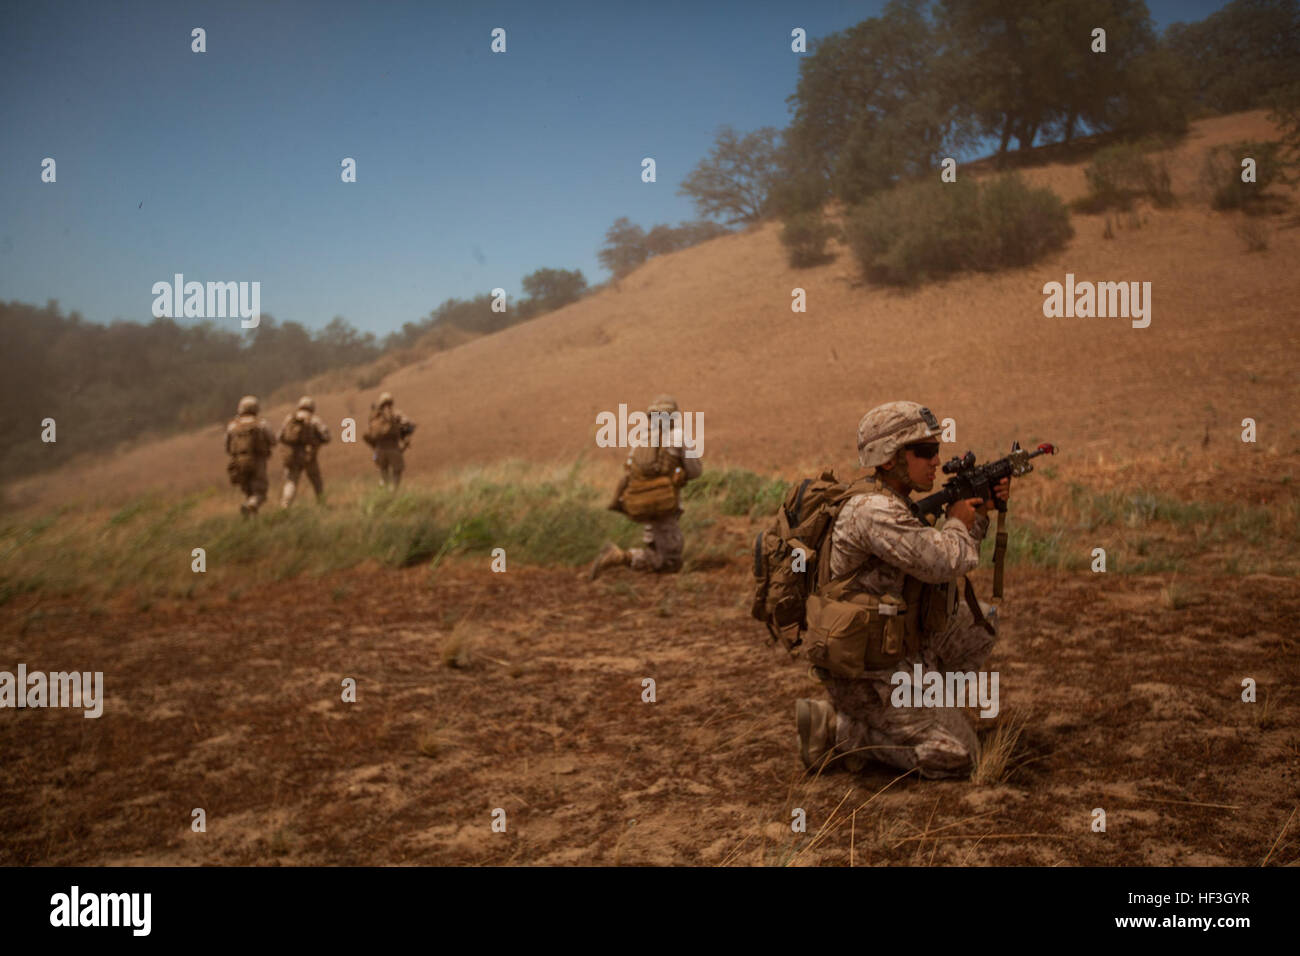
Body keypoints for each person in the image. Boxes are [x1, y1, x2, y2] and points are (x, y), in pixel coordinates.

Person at [796, 401, 1010, 779]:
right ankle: (840, 730)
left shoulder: (896, 502)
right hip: (868, 675)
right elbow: (942, 561)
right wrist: (960, 522)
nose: (935, 461)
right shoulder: (874, 511)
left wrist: (979, 512)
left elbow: (941, 570)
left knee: (981, 626)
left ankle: (920, 712)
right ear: (890, 458)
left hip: (898, 648)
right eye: (924, 452)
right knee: (959, 754)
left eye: (936, 450)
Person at [590, 394, 703, 579]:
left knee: (658, 553)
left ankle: (625, 559)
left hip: (643, 505)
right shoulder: (678, 436)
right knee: (671, 563)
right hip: (665, 504)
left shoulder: (640, 439)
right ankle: (617, 557)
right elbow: (695, 471)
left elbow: (629, 472)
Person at [224, 395, 277, 516]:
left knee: (248, 492)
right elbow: (273, 441)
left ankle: (252, 520)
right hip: (258, 461)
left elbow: (227, 446)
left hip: (238, 462)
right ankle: (249, 506)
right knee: (260, 493)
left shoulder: (232, 426)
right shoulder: (261, 424)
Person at [278, 396, 331, 508]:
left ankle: (285, 506)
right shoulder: (314, 419)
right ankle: (321, 504)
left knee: (291, 482)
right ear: (312, 407)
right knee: (316, 481)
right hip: (308, 455)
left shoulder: (289, 419)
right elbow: (326, 436)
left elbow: (280, 436)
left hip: (291, 456)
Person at [363, 392, 415, 489]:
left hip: (379, 450)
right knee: (397, 471)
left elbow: (368, 434)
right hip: (393, 448)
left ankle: (385, 491)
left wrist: (374, 448)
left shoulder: (374, 417)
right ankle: (393, 492)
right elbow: (410, 426)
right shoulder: (396, 414)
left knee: (383, 471)